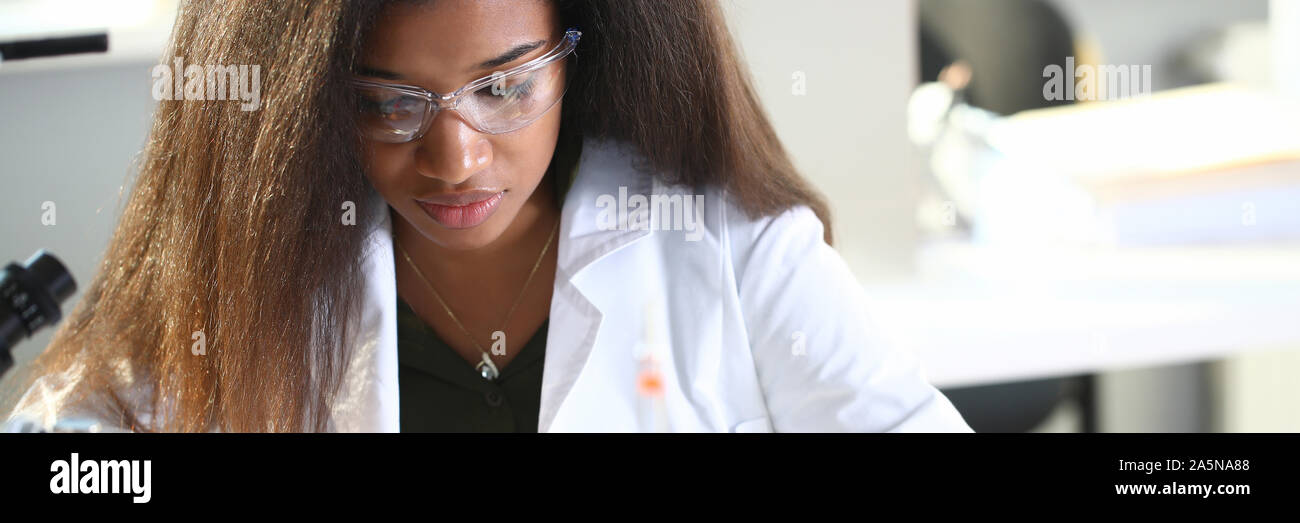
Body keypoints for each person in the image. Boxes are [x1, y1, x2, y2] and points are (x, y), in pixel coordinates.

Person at [2, 0, 972, 433]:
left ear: (577, 55)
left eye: (504, 88)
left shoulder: (731, 253)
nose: (454, 158)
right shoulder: (254, 267)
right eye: (390, 102)